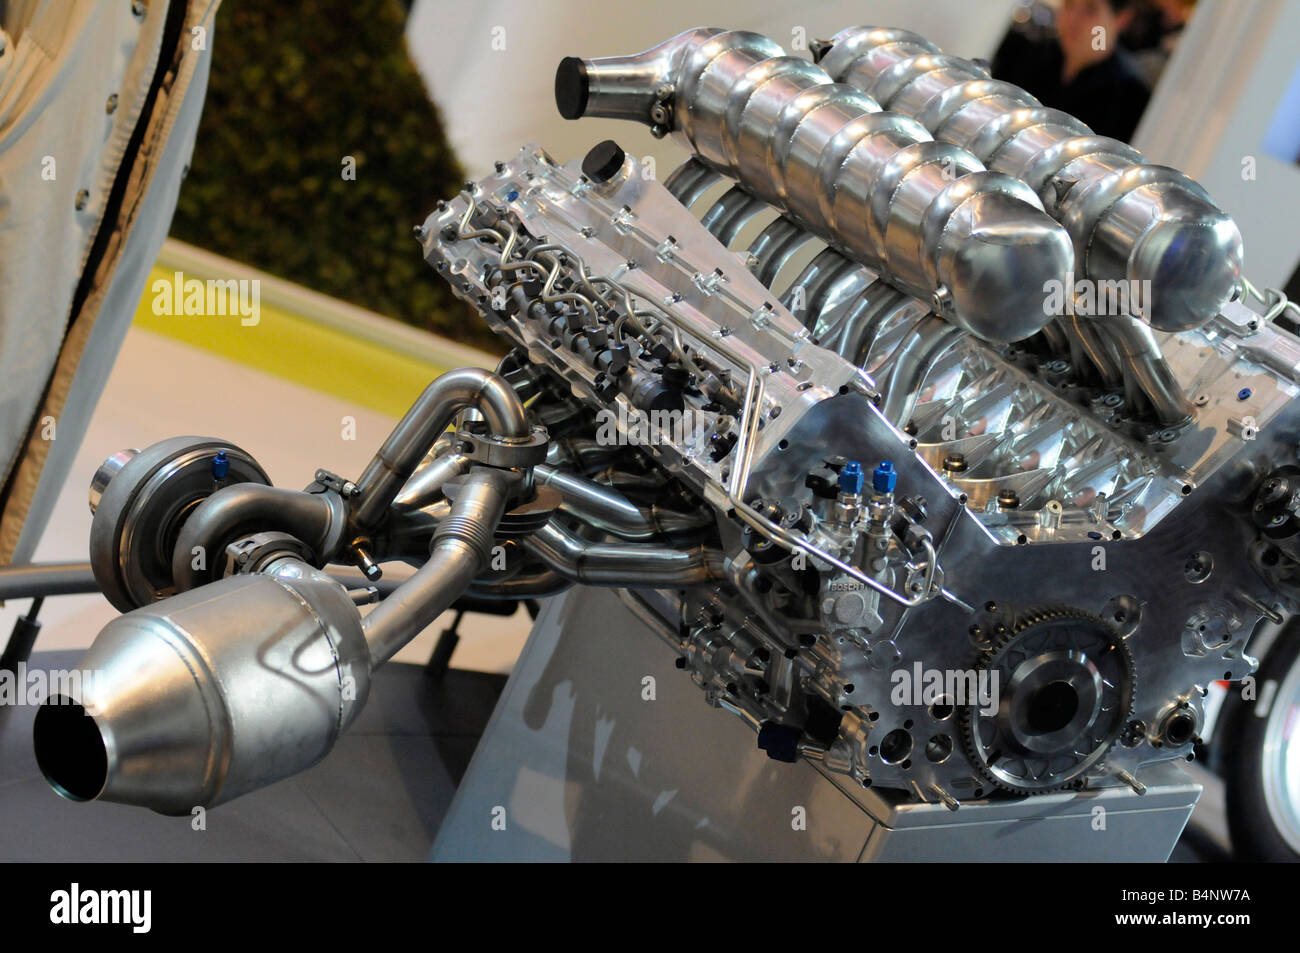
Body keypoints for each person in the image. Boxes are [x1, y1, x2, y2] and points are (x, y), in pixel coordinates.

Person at [992, 0, 1152, 143]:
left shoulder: (1132, 98)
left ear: (1121, 19)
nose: (1073, 19)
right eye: (1069, 4)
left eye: (1090, 9)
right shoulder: (1027, 55)